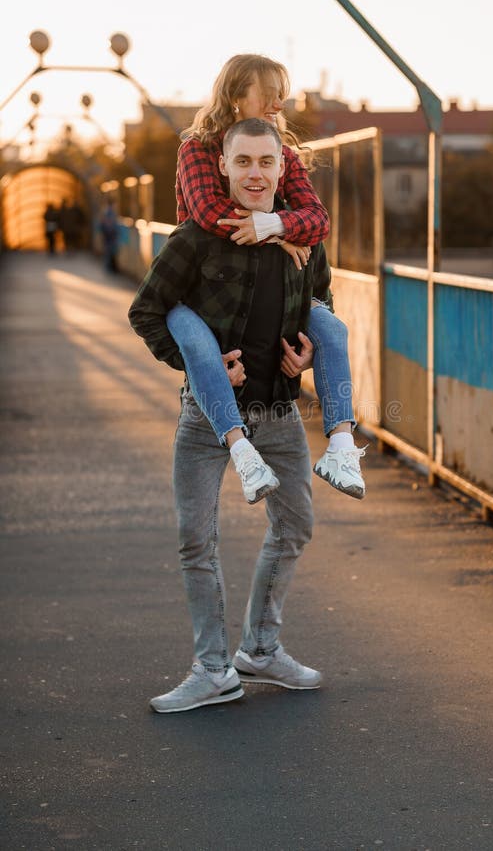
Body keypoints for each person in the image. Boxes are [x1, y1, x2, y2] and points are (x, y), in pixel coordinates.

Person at [129, 118, 328, 712]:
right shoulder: (194, 239)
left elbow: (322, 304)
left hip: (278, 413)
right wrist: (200, 365)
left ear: (281, 168)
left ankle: (261, 650)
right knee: (197, 542)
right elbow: (146, 312)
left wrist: (308, 353)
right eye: (243, 162)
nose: (255, 174)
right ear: (222, 167)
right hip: (206, 419)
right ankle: (213, 669)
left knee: (294, 527)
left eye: (266, 162)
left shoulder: (301, 240)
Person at [169, 53, 366, 501]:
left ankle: (340, 445)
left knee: (332, 329)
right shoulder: (197, 149)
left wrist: (277, 226)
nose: (280, 106)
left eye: (283, 97)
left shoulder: (285, 154)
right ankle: (239, 449)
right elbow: (210, 216)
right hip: (213, 297)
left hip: (276, 294)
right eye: (271, 96)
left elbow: (317, 221)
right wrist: (281, 233)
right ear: (238, 96)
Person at [99, 198, 119, 272]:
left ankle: (109, 267)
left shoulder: (107, 212)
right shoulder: (109, 213)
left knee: (109, 252)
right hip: (110, 236)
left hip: (109, 236)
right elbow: (109, 225)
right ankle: (108, 268)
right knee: (109, 252)